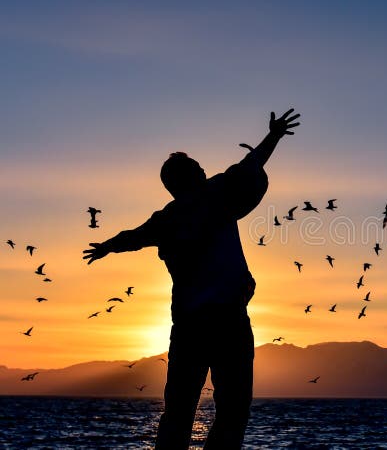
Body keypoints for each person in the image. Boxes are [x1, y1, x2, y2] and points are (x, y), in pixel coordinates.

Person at [83, 109, 300, 449]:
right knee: (231, 409)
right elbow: (250, 165)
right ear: (188, 178)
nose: (202, 170)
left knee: (181, 410)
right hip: (226, 322)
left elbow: (133, 236)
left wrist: (107, 246)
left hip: (190, 327)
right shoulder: (216, 194)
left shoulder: (167, 218)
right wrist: (273, 136)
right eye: (197, 168)